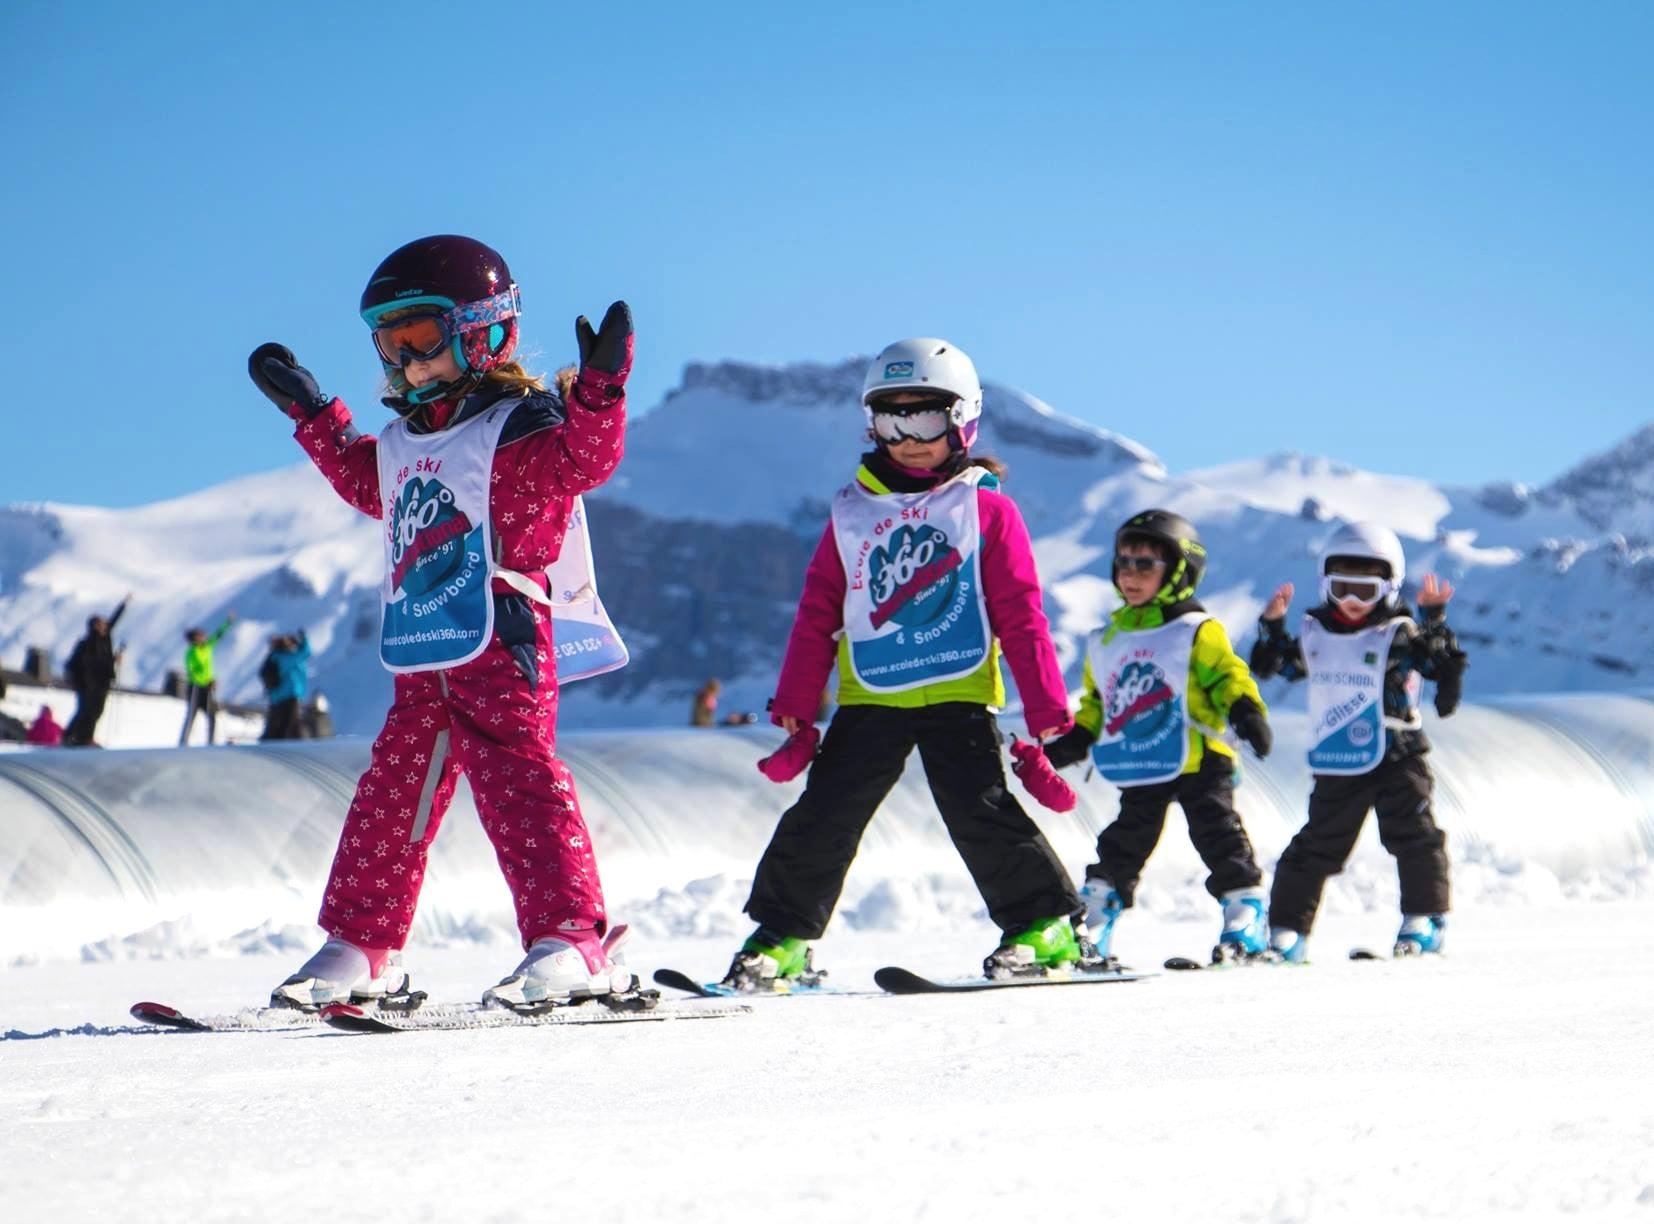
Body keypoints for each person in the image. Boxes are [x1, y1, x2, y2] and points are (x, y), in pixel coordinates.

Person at [248, 233, 634, 1010]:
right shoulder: (404, 443)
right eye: (392, 347)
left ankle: (574, 940)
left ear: (486, 331)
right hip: (426, 638)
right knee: (393, 789)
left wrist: (597, 393)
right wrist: (313, 411)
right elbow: (367, 482)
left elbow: (582, 464)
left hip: (503, 629)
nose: (409, 364)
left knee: (518, 780)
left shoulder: (521, 427)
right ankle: (364, 942)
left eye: (424, 340)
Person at [726, 337, 1084, 990]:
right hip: (872, 698)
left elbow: (1021, 612)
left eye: (924, 417)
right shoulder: (851, 515)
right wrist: (798, 707)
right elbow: (817, 614)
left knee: (979, 811)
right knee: (824, 815)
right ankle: (781, 938)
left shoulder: (986, 512)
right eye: (891, 419)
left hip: (958, 691)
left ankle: (1046, 927)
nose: (908, 436)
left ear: (962, 420)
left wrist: (1047, 708)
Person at [1043, 511, 1273, 966]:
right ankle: (1094, 924)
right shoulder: (1108, 637)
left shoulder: (1196, 630)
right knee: (1123, 841)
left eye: (1145, 565)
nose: (1130, 574)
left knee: (1218, 836)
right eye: (1123, 563)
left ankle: (1244, 918)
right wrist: (1080, 735)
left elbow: (1228, 676)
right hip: (1143, 756)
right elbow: (1099, 699)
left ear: (1179, 573)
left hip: (1200, 757)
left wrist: (1245, 710)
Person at [1250, 522, 1467, 960]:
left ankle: (1424, 921)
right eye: (1341, 588)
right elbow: (1279, 667)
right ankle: (1288, 933)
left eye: (1364, 591)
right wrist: (1272, 629)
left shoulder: (1399, 634)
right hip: (1338, 758)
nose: (1351, 602)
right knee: (1315, 845)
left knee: (1415, 837)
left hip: (1398, 755)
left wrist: (1435, 622)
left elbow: (1438, 666)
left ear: (1389, 588)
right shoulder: (1317, 634)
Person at [64, 595, 130, 747]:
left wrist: (124, 604)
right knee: (87, 711)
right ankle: (77, 737)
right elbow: (90, 664)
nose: (104, 626)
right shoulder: (88, 643)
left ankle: (81, 737)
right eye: (101, 624)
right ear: (94, 626)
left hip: (101, 682)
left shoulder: (104, 639)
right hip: (88, 684)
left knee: (95, 712)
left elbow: (114, 621)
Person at [179, 612, 236, 745]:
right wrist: (206, 681)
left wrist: (228, 622)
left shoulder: (207, 647)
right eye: (200, 636)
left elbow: (218, 635)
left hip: (207, 687)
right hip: (196, 688)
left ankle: (211, 740)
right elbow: (192, 672)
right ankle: (184, 741)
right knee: (192, 715)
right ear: (194, 639)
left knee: (211, 714)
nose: (204, 637)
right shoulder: (192, 652)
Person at [260, 631, 312, 740]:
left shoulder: (274, 657)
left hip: (276, 696)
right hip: (290, 694)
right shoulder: (290, 658)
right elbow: (306, 652)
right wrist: (304, 639)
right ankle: (296, 744)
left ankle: (269, 742)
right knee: (291, 723)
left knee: (276, 723)